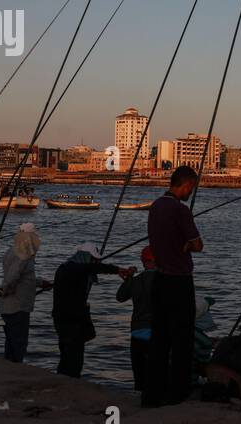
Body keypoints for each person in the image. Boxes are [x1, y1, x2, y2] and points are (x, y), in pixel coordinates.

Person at [144, 166, 204, 407]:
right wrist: (188, 246)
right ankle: (177, 394)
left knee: (159, 339)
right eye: (193, 187)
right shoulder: (181, 210)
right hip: (179, 281)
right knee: (182, 340)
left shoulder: (156, 206)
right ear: (187, 184)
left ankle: (152, 394)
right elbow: (198, 244)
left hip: (159, 279)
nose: (191, 192)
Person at [51, 243, 133, 378]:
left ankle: (64, 379)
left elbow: (91, 269)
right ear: (86, 257)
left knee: (67, 352)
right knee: (73, 355)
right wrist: (117, 269)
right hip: (72, 319)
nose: (94, 261)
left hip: (62, 317)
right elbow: (91, 268)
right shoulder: (74, 268)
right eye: (92, 258)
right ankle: (70, 381)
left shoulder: (64, 268)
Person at [0, 223, 50, 363]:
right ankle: (15, 370)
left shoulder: (11, 251)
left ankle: (8, 368)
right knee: (19, 343)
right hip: (18, 307)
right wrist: (6, 290)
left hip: (9, 307)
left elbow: (22, 276)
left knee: (11, 342)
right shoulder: (24, 254)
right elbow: (12, 276)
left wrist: (40, 283)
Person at [115, 246, 157, 391]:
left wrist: (128, 279)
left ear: (143, 261)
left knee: (140, 374)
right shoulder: (165, 280)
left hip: (138, 331)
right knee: (158, 370)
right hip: (159, 332)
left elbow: (120, 297)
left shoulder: (136, 281)